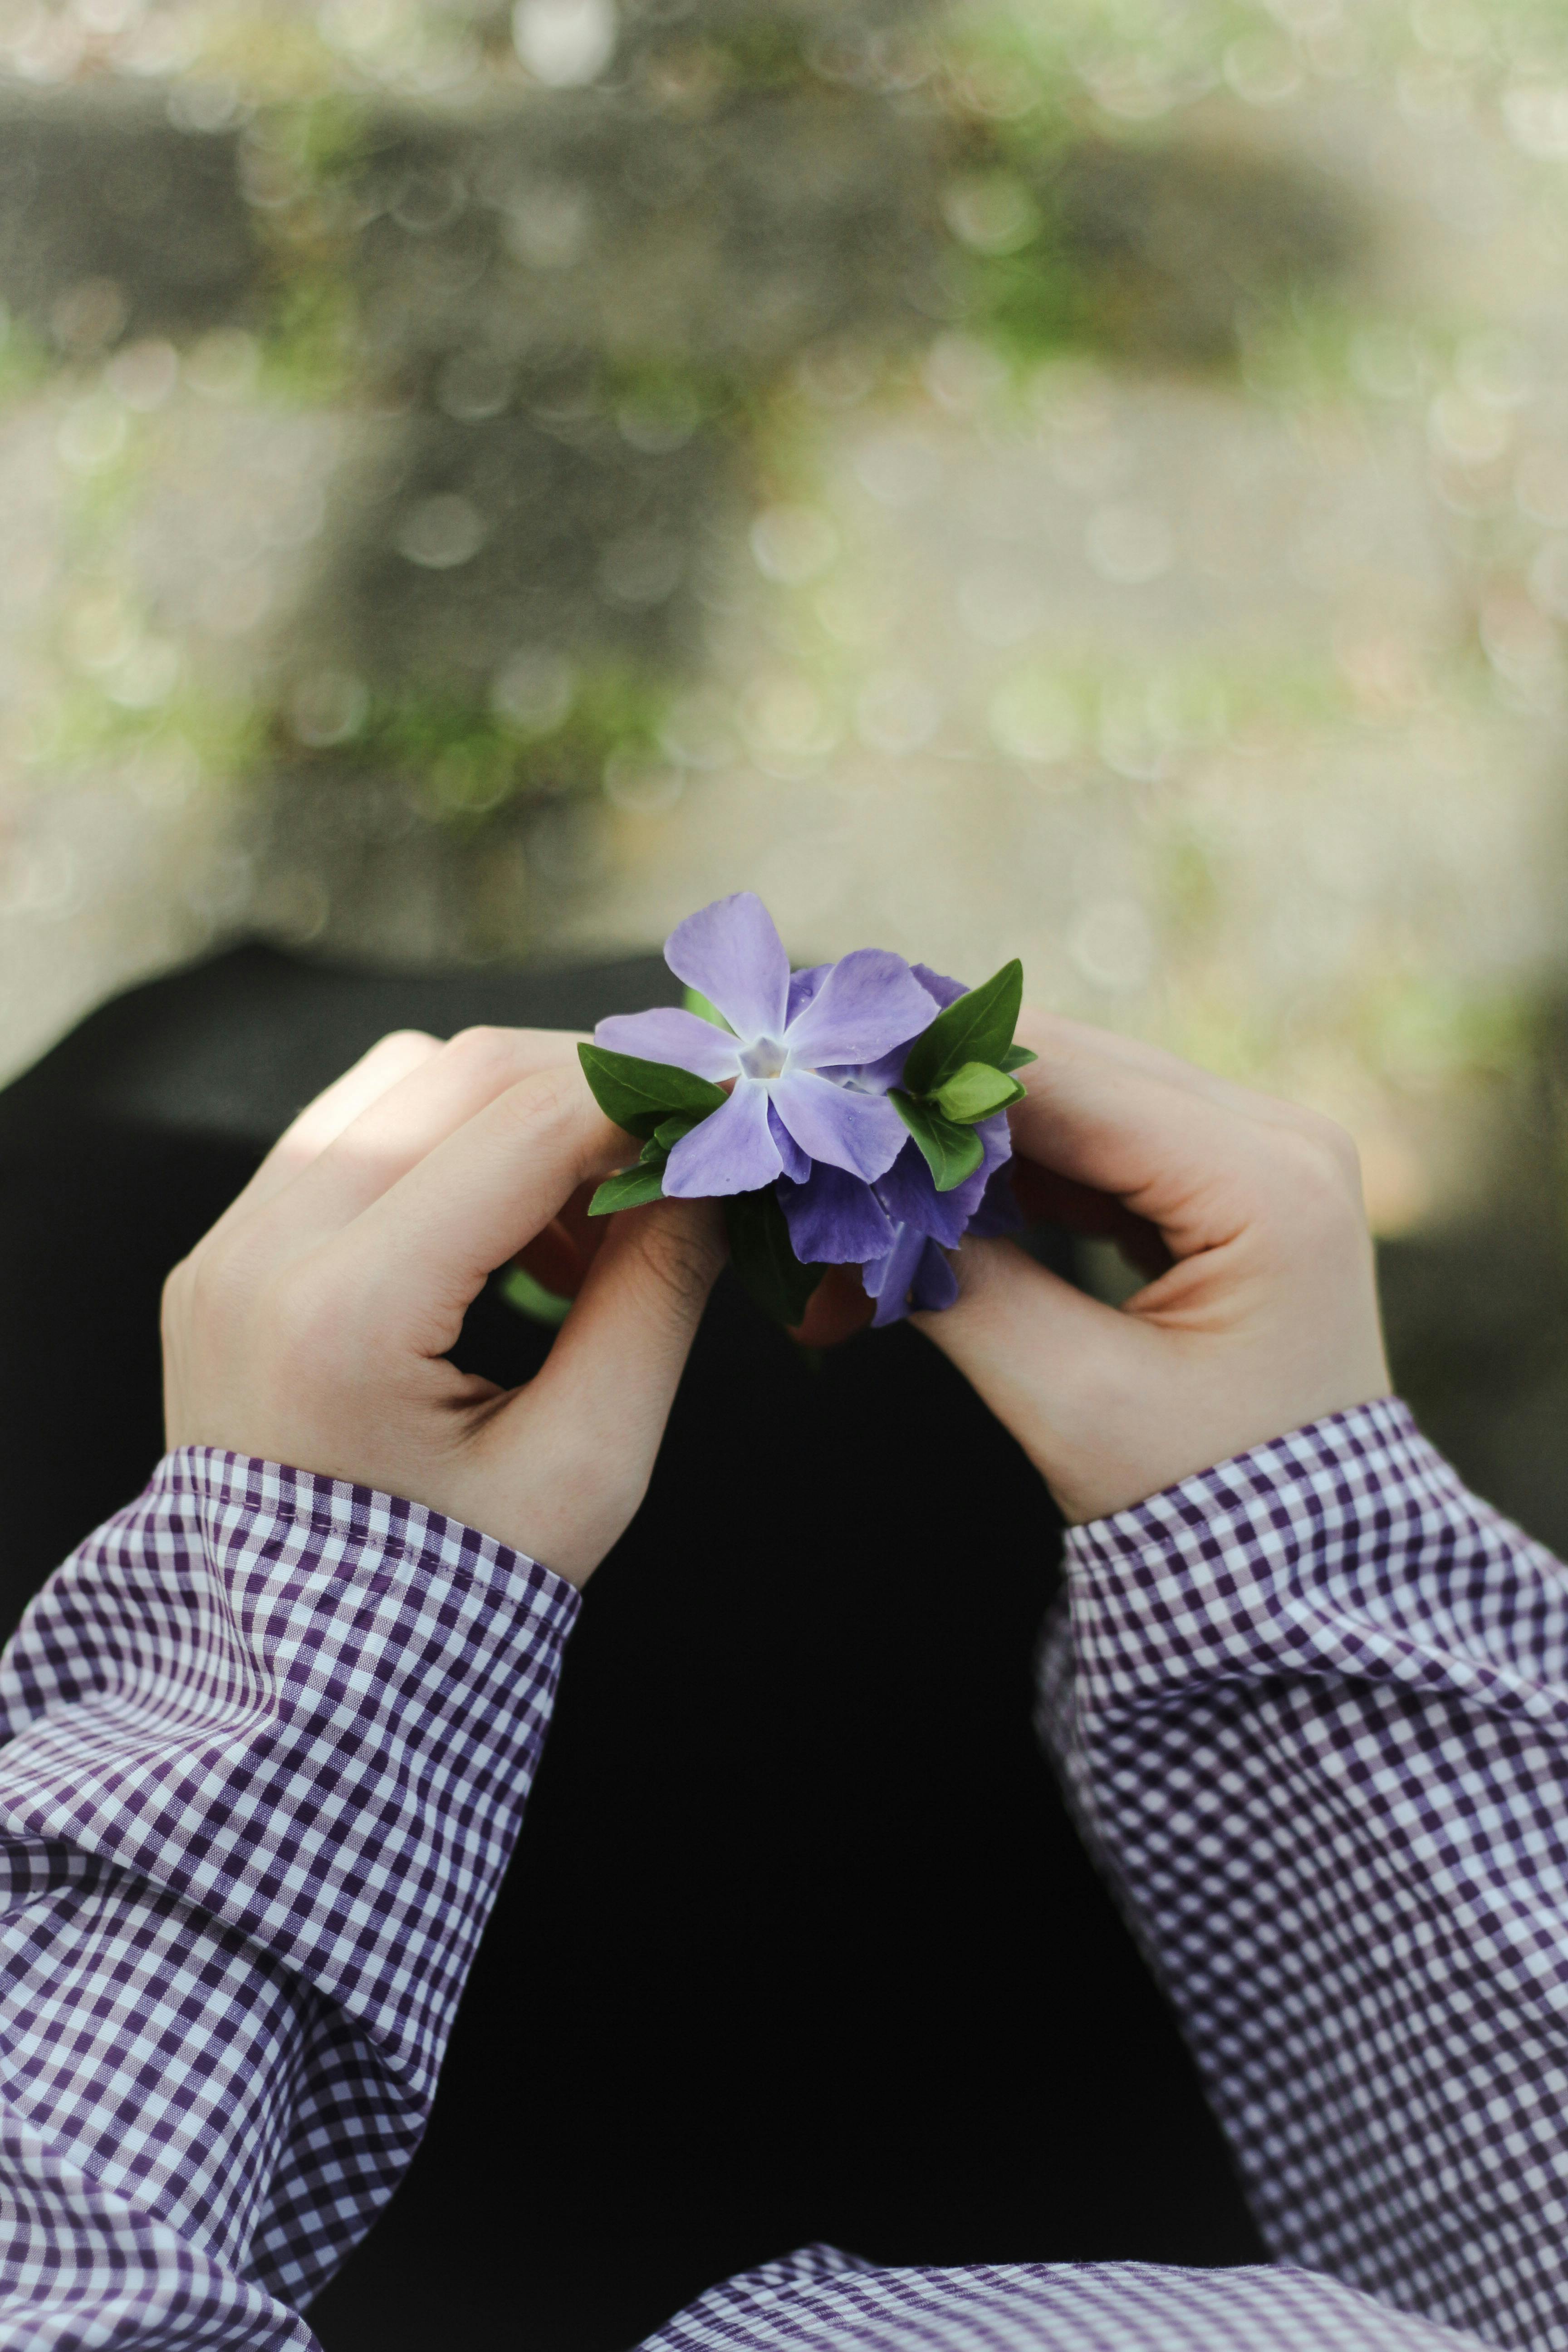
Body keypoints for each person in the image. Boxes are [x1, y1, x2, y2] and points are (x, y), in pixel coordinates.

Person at [0, 1011, 1559, 2351]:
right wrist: (1298, 1555)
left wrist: (288, 1644)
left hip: (506, 2185)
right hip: (1102, 2114)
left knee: (104, 1211)